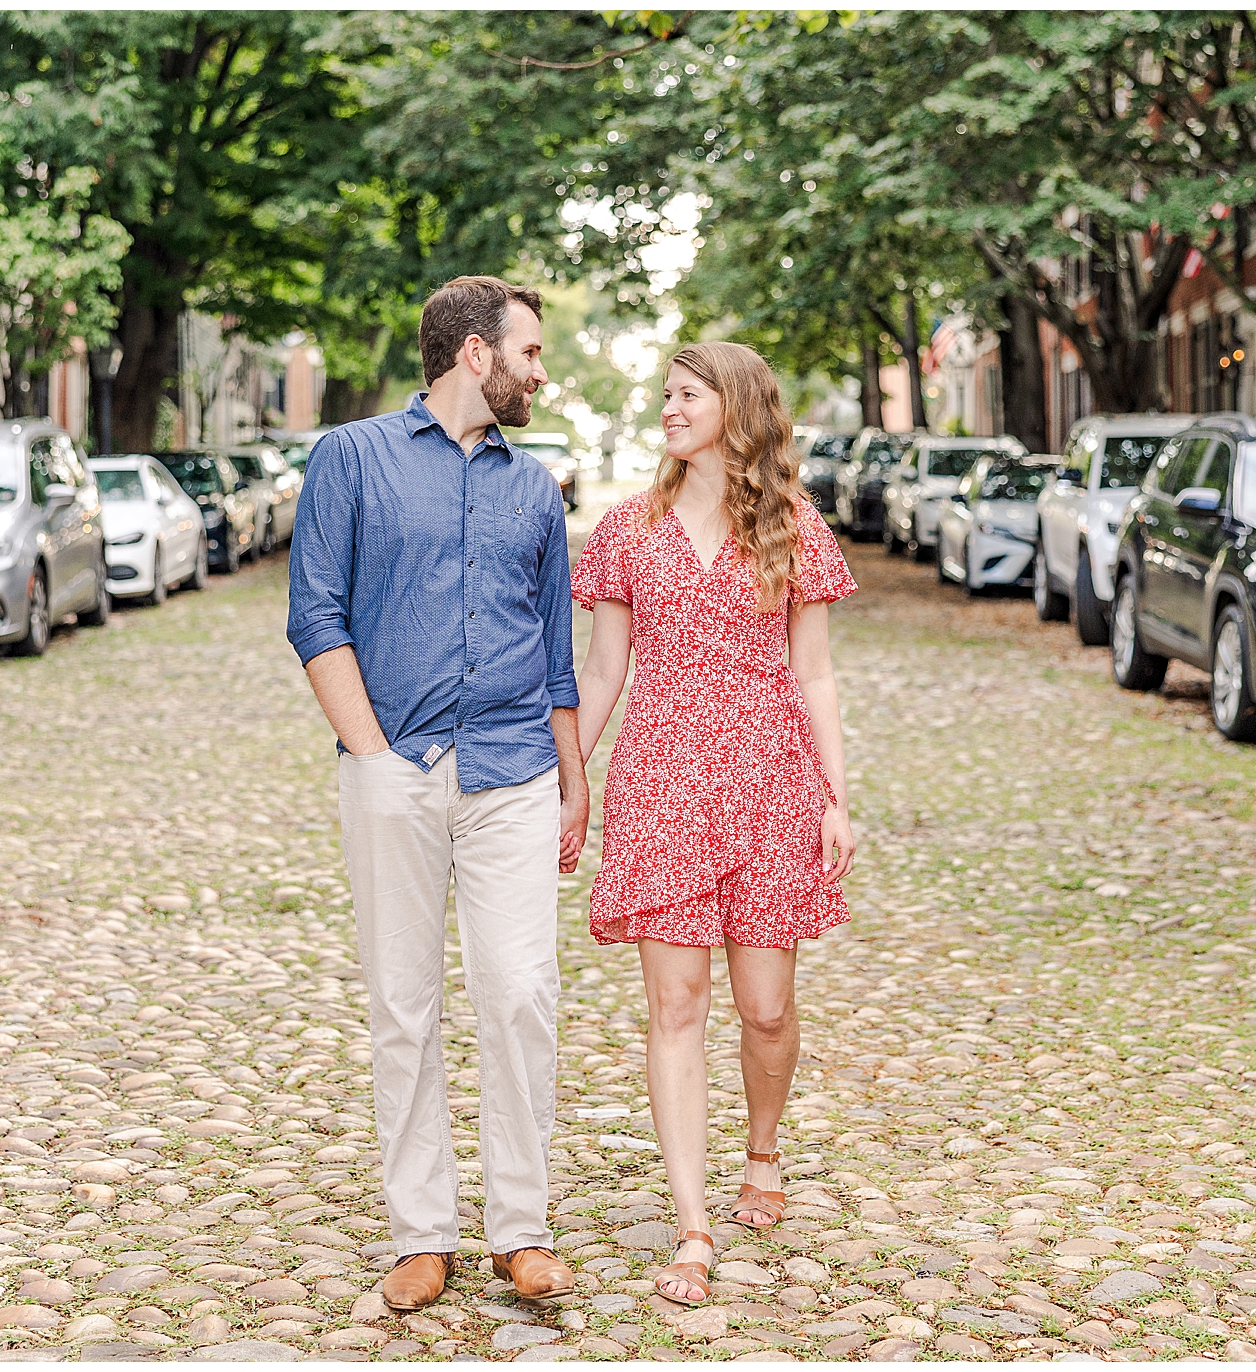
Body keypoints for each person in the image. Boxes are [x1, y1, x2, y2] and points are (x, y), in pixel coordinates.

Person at [286, 276, 587, 1312]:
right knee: (403, 1005)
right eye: (531, 353)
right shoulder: (349, 460)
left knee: (517, 993)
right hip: (393, 765)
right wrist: (372, 758)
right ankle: (421, 1232)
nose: (540, 373)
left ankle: (521, 1227)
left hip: (515, 771)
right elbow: (315, 618)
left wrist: (575, 781)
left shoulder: (533, 487)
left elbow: (556, 655)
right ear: (474, 354)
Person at [568, 341, 857, 1305]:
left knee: (766, 1007)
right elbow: (604, 670)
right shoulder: (625, 532)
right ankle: (692, 1226)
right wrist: (570, 776)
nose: (668, 410)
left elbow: (814, 671)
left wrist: (836, 797)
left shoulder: (792, 527)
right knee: (675, 1008)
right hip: (659, 787)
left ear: (735, 409)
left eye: (686, 396)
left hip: (770, 782)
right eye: (666, 396)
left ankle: (762, 1148)